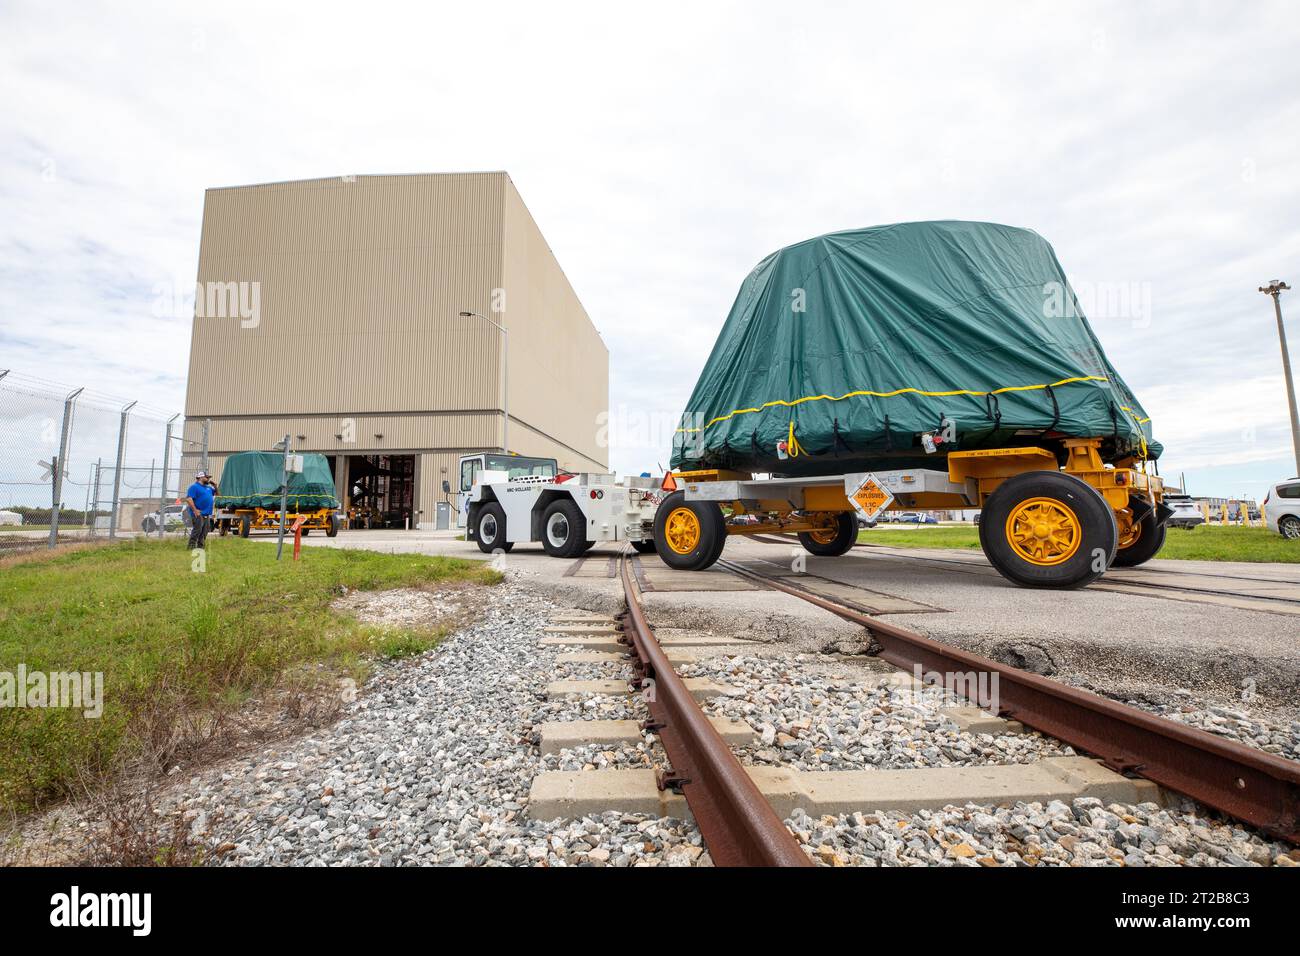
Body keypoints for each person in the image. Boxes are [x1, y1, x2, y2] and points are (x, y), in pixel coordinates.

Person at [185, 471, 216, 550]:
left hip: (206, 513)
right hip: (198, 513)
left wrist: (215, 485)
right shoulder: (194, 487)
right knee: (197, 530)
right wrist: (195, 510)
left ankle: (200, 548)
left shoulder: (208, 488)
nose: (208, 479)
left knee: (204, 531)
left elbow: (218, 494)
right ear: (201, 477)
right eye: (207, 477)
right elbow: (189, 499)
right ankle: (191, 547)